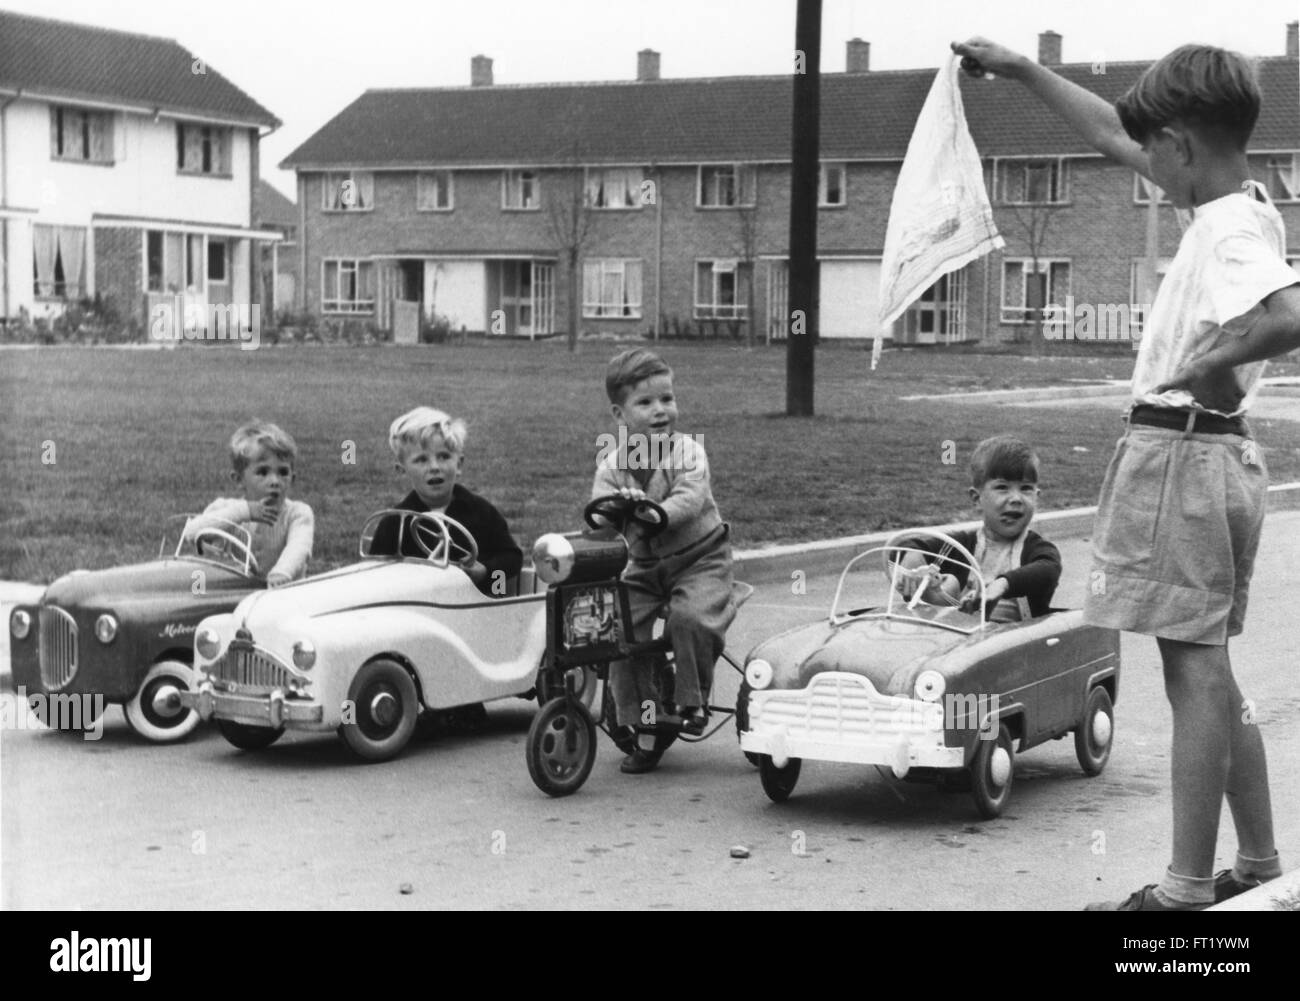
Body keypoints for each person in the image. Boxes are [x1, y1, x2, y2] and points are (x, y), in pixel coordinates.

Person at [951, 36, 1300, 910]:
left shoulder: (1221, 226)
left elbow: (1289, 314)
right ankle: (1258, 865)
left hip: (1180, 450)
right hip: (1216, 448)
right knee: (1212, 668)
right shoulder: (1242, 204)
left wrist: (1202, 362)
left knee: (1193, 676)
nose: (1147, 168)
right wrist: (1025, 70)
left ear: (1182, 143)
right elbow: (1117, 133)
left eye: (1160, 154)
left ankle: (1184, 894)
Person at [593, 348, 736, 774]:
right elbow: (599, 513)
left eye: (667, 399)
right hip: (645, 567)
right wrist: (614, 507)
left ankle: (693, 700)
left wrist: (651, 512)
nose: (661, 411)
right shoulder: (613, 464)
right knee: (616, 627)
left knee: (690, 619)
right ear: (620, 415)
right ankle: (639, 715)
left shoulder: (688, 453)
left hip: (700, 558)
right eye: (646, 402)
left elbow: (689, 500)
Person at [895, 436, 1060, 621]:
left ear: (1037, 497)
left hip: (1013, 643)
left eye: (1026, 488)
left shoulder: (1038, 550)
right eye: (1002, 487)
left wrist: (1001, 585)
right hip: (957, 638)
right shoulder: (959, 546)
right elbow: (904, 548)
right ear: (976, 498)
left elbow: (1047, 570)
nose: (1016, 498)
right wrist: (913, 563)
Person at [370, 406, 523, 596]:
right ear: (402, 470)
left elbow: (512, 559)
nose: (434, 467)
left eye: (443, 457)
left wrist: (486, 572)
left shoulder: (482, 512)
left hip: (476, 609)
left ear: (459, 464)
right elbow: (374, 576)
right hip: (418, 611)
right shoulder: (395, 522)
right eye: (421, 460)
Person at [183, 422, 314, 586]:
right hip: (237, 596)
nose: (275, 481)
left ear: (292, 478)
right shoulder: (226, 509)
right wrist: (245, 511)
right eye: (263, 472)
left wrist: (281, 573)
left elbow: (299, 548)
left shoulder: (298, 513)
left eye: (283, 472)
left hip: (285, 595)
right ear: (239, 479)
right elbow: (191, 534)